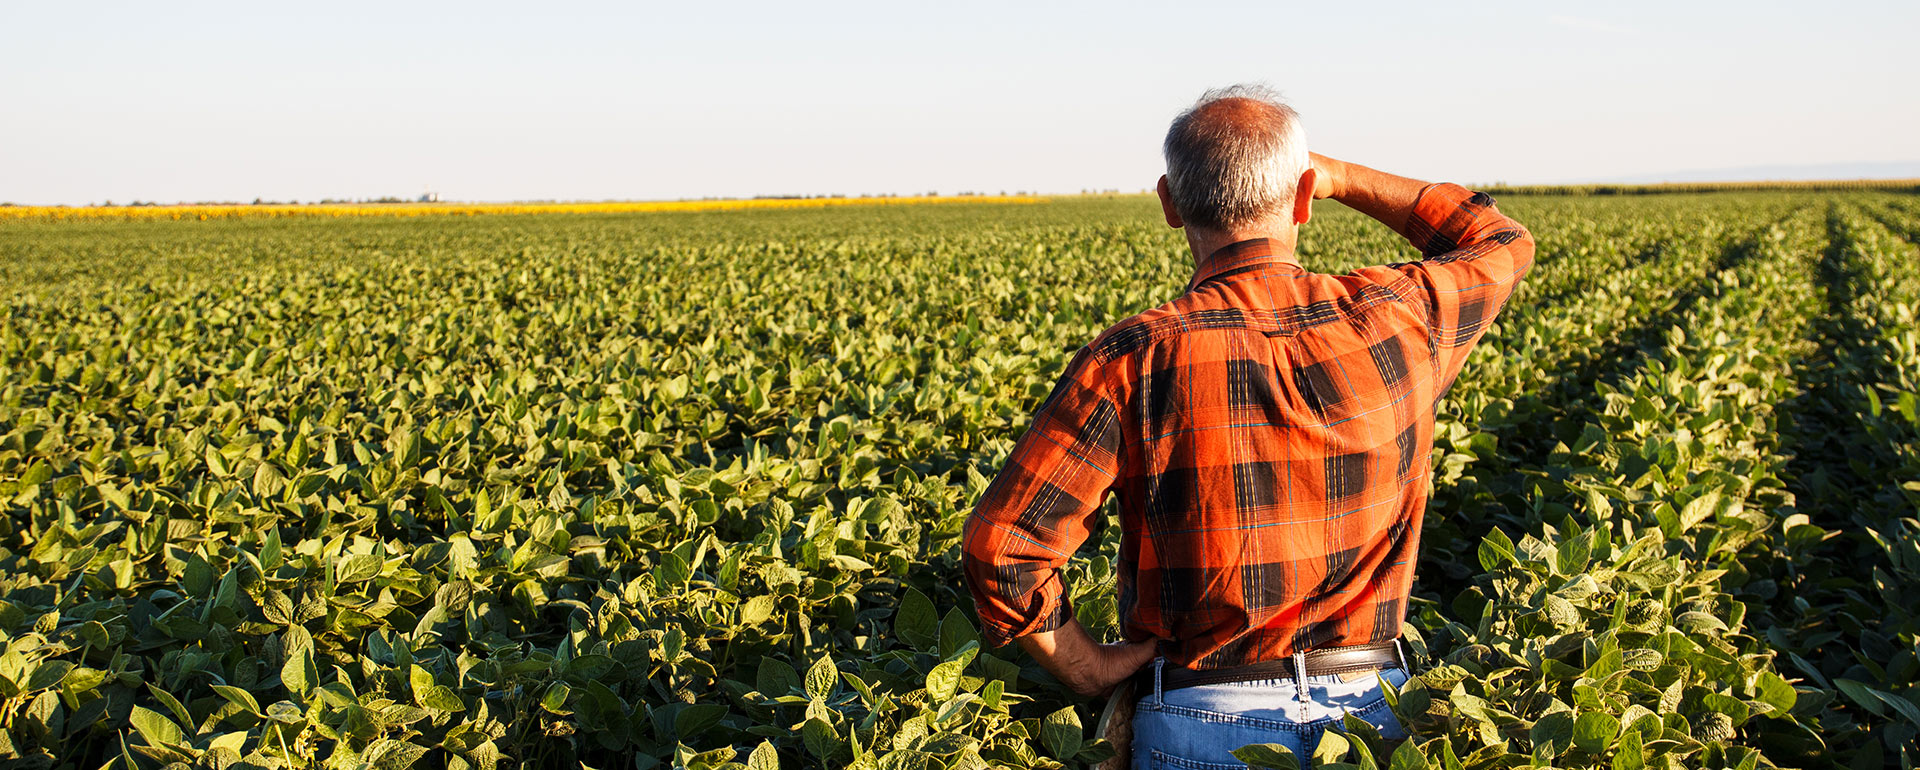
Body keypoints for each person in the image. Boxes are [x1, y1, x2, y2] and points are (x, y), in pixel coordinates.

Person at [960, 84, 1534, 766]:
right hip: (1370, 714)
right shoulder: (1399, 317)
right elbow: (1497, 238)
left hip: (1199, 716)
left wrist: (1087, 668)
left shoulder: (1133, 358)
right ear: (1304, 197)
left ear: (1171, 205)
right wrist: (1341, 179)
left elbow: (1002, 548)